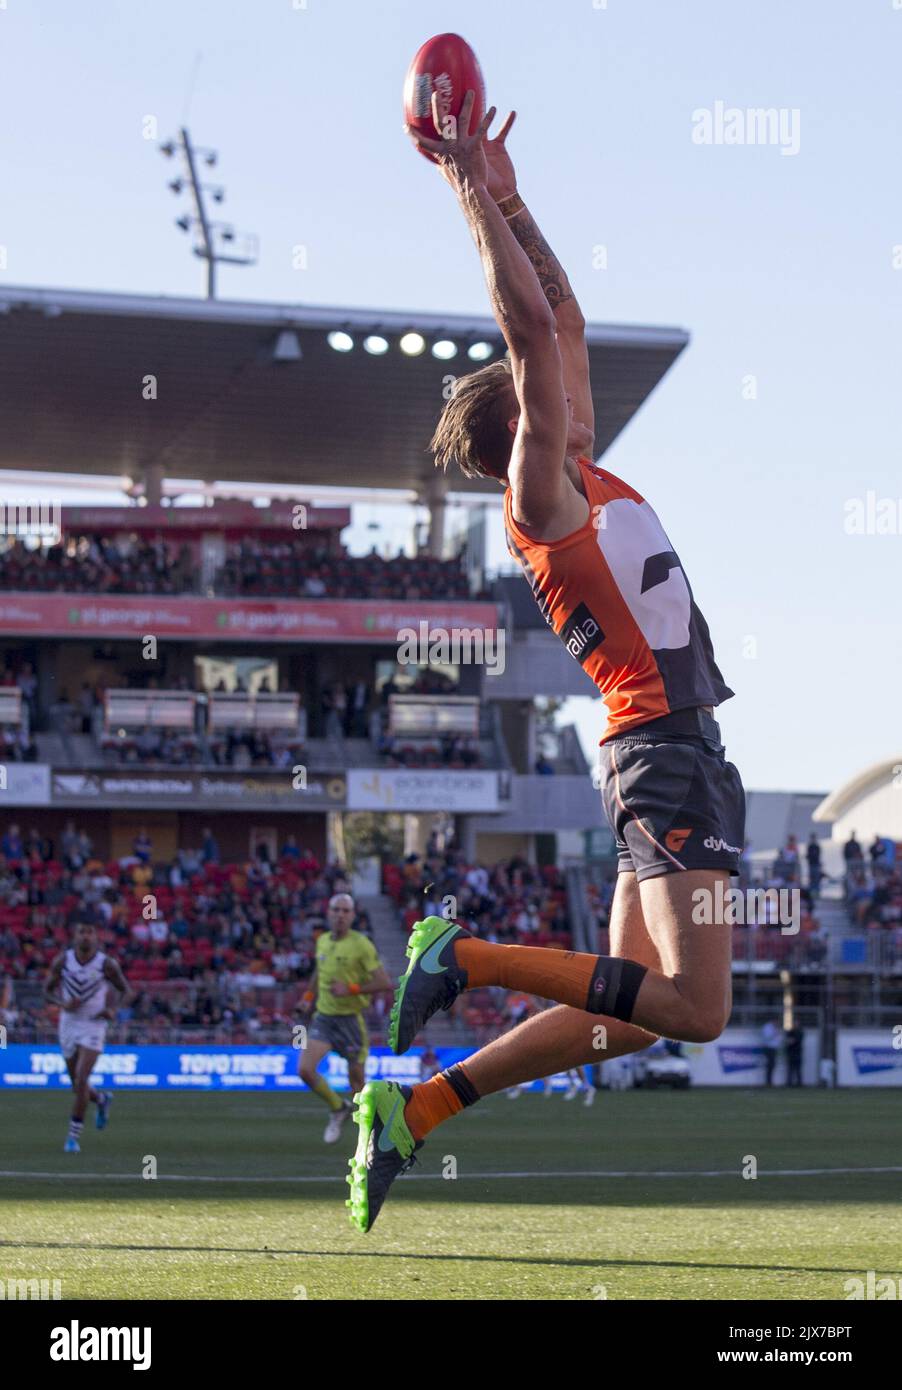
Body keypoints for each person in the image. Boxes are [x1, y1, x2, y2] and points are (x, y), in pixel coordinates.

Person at [346, 98, 745, 1232]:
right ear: (522, 425)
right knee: (695, 1010)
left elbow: (557, 311)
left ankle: (414, 1110)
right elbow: (528, 330)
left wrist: (510, 194)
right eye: (548, 392)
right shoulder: (544, 496)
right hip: (660, 752)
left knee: (625, 1014)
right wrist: (466, 190)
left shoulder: (579, 460)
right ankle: (456, 952)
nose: (573, 385)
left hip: (665, 747)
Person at [296, 893, 393, 1144]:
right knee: (305, 1070)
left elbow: (384, 982)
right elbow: (319, 972)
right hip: (325, 1018)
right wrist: (307, 997)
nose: (340, 915)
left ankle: (369, 1136)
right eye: (335, 910)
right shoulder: (323, 942)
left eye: (345, 911)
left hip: (351, 1021)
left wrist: (351, 989)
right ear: (328, 913)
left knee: (357, 1081)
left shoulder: (361, 945)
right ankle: (338, 1108)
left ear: (352, 916)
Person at [44, 920, 134, 1152]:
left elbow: (126, 990)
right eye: (82, 932)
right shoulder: (63, 961)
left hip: (94, 1024)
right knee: (77, 1085)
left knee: (82, 1079)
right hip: (69, 1023)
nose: (86, 936)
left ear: (96, 937)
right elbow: (46, 991)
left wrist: (113, 1010)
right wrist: (63, 1003)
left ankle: (72, 1138)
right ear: (75, 936)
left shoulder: (107, 964)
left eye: (90, 932)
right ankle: (102, 1100)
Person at [761, 1019, 781, 1087]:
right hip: (769, 1048)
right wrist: (775, 1033)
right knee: (770, 1065)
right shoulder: (767, 1027)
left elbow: (778, 1039)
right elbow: (767, 1038)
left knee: (772, 1065)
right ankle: (768, 1082)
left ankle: (770, 1081)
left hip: (774, 1049)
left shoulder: (776, 1027)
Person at [784, 1021, 804, 1087]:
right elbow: (788, 1041)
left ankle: (799, 1083)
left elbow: (793, 1041)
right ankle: (789, 1083)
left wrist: (791, 1041)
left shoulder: (800, 1032)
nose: (795, 1025)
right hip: (791, 1053)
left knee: (798, 1069)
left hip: (797, 1052)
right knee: (790, 1069)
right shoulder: (790, 1032)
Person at [805, 833, 822, 898]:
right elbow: (808, 855)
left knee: (816, 880)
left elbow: (818, 856)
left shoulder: (817, 846)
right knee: (812, 879)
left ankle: (817, 893)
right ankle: (811, 894)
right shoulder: (810, 847)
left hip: (816, 864)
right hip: (811, 865)